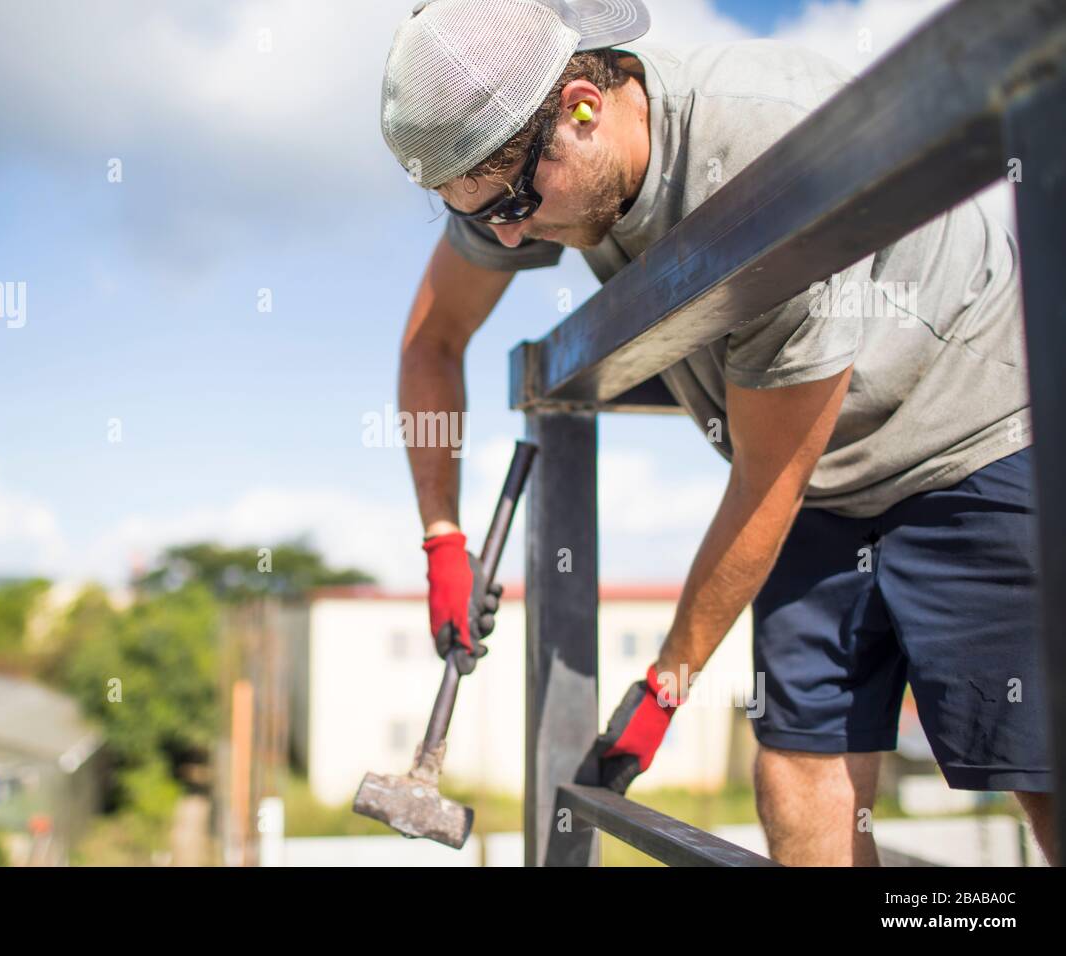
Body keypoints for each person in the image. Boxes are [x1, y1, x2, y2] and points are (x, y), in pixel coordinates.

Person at [380, 0, 1056, 865]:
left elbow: (765, 479)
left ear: (583, 104)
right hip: (820, 476)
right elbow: (433, 341)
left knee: (1039, 766)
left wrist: (665, 683)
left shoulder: (760, 168)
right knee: (795, 774)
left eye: (512, 201)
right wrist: (441, 536)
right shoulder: (528, 170)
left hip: (977, 434)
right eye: (477, 216)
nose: (507, 235)